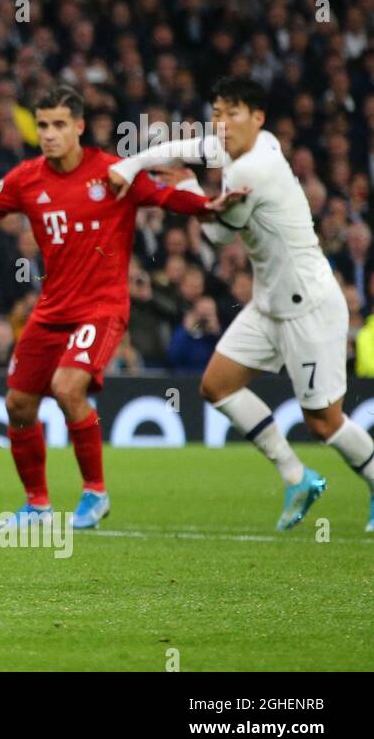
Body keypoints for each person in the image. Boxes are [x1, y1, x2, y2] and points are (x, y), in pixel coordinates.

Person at [0, 85, 241, 529]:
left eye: (59, 125)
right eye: (43, 125)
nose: (49, 134)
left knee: (69, 388)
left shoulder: (114, 172)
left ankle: (95, 493)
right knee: (18, 404)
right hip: (51, 311)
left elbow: (167, 197)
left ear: (79, 127)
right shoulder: (27, 178)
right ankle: (37, 505)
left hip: (102, 308)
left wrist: (207, 204)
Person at [109, 76, 374, 532]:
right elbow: (186, 146)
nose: (222, 123)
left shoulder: (255, 169)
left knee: (324, 422)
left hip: (307, 305)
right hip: (269, 302)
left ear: (258, 118)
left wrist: (190, 191)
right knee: (217, 385)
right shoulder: (247, 145)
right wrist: (131, 165)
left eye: (233, 113)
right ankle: (296, 476)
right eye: (217, 112)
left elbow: (216, 234)